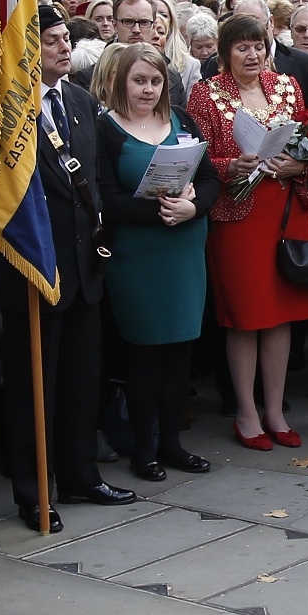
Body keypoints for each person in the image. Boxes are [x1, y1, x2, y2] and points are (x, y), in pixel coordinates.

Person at [0, 7, 133, 526]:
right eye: (50, 41)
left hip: (82, 269)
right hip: (34, 268)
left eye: (63, 39)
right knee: (35, 388)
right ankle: (34, 490)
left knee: (82, 381)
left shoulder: (78, 101)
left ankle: (81, 476)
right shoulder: (4, 111)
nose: (62, 48)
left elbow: (94, 184)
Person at [89, 40, 220, 483]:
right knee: (145, 354)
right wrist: (161, 211)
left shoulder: (181, 120)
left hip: (184, 252)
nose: (148, 89)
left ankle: (172, 443)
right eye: (139, 80)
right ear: (120, 81)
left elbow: (209, 179)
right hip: (138, 256)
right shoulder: (105, 128)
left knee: (180, 351)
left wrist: (193, 206)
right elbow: (104, 198)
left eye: (156, 81)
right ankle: (143, 448)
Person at [190, 11, 308, 448]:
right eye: (242, 46)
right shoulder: (205, 95)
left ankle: (276, 410)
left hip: (286, 208)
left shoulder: (287, 85)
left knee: (281, 316)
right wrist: (232, 165)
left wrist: (300, 164)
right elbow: (198, 158)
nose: (252, 54)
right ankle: (246, 412)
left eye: (258, 45)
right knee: (246, 318)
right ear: (226, 52)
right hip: (238, 216)